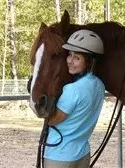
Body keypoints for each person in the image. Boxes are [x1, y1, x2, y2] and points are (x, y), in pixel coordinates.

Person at [43, 29, 105, 168]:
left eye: (77, 58)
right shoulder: (99, 85)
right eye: (69, 55)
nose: (70, 61)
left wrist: (39, 106)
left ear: (89, 62)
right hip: (83, 154)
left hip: (59, 155)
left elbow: (52, 120)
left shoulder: (72, 90)